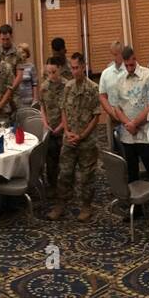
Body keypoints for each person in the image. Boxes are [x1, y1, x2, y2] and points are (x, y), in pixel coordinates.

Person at [50, 52, 103, 222]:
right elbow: (63, 110)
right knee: (64, 173)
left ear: (83, 67)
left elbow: (96, 116)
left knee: (86, 175)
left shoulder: (93, 88)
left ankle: (86, 206)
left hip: (86, 140)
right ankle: (61, 205)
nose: (74, 71)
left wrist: (82, 135)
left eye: (76, 68)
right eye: (71, 68)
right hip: (69, 138)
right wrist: (66, 131)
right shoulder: (68, 87)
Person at [108, 45, 149, 186]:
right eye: (126, 65)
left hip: (147, 134)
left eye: (131, 64)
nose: (129, 68)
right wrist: (129, 124)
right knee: (132, 176)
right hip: (128, 136)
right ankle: (137, 207)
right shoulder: (119, 80)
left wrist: (135, 123)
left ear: (135, 58)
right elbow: (116, 107)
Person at [37, 56, 67, 199]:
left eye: (54, 72)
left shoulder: (67, 87)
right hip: (49, 128)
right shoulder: (44, 87)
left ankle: (65, 188)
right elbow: (42, 106)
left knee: (64, 160)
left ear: (60, 69)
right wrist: (44, 122)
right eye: (48, 72)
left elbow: (69, 110)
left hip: (63, 128)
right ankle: (52, 186)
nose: (51, 75)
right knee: (50, 160)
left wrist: (61, 126)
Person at [97, 40, 125, 146]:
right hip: (112, 115)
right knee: (113, 147)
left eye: (116, 54)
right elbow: (102, 96)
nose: (114, 58)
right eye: (112, 54)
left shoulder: (131, 69)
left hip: (130, 115)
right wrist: (112, 113)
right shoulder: (106, 73)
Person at [14, 44, 36, 111]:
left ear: (27, 53)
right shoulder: (15, 66)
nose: (21, 55)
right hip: (17, 100)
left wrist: (35, 99)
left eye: (23, 52)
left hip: (29, 100)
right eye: (19, 53)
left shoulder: (31, 66)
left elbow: (35, 84)